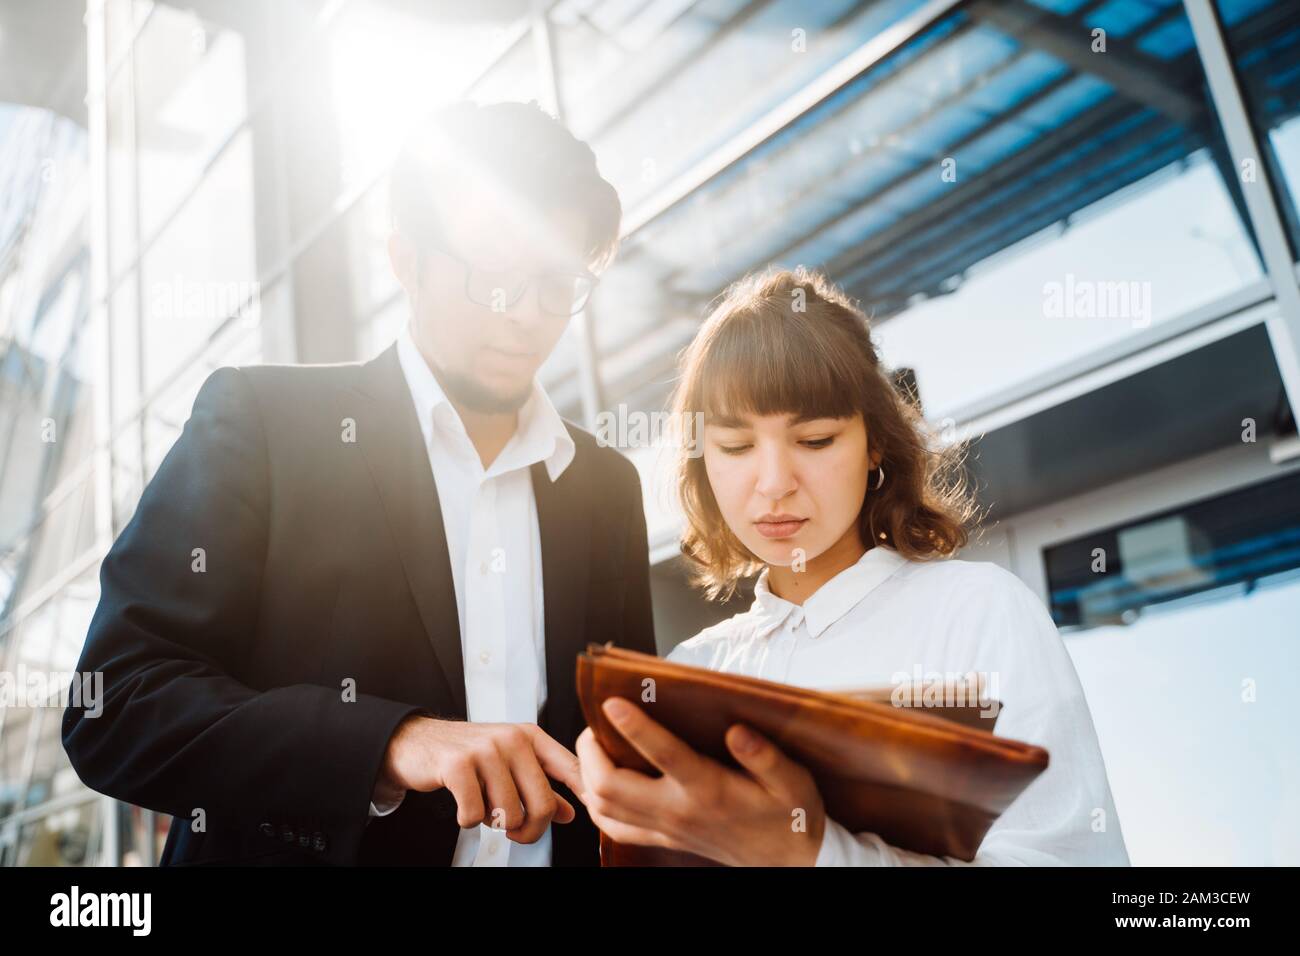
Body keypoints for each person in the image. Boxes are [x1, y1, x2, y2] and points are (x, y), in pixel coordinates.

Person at [62, 101, 657, 866]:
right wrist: (390, 743)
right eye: (493, 277)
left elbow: (622, 747)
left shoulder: (605, 487)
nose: (525, 317)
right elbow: (114, 704)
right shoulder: (264, 424)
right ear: (406, 260)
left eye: (555, 282)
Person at [575, 267, 1130, 866]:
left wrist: (807, 855)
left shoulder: (978, 612)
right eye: (735, 447)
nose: (773, 484)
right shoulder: (692, 668)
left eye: (814, 440)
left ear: (875, 447)